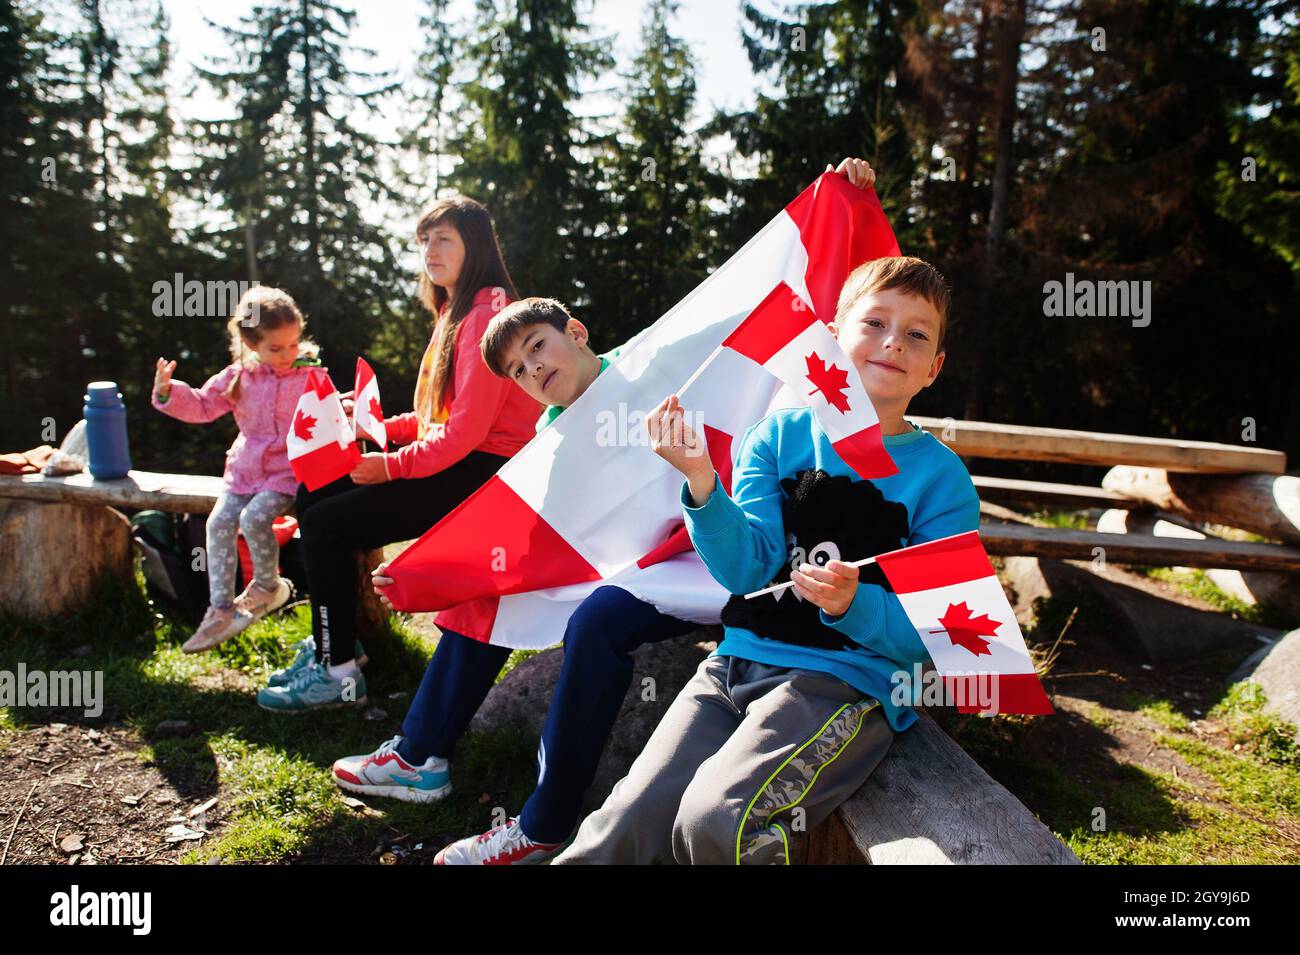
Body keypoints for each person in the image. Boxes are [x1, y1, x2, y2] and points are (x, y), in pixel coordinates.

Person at [339, 158, 885, 865]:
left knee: (583, 611)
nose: (536, 370)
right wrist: (432, 572)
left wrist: (841, 201)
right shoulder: (549, 439)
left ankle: (511, 803)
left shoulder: (662, 358)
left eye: (539, 346)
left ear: (578, 331)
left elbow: (770, 297)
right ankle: (447, 768)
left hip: (731, 548)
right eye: (520, 371)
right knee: (512, 597)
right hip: (644, 567)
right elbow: (517, 536)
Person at [551, 252, 981, 864]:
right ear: (833, 337)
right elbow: (748, 569)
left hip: (843, 684)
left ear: (934, 368)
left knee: (715, 823)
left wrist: (855, 603)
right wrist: (702, 482)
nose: (893, 343)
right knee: (623, 823)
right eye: (875, 323)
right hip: (734, 664)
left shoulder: (942, 481)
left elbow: (944, 634)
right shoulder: (777, 437)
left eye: (917, 335)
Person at [256, 196, 541, 713]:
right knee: (314, 493)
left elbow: (463, 434)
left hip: (484, 475)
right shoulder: (455, 313)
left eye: (444, 239)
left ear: (474, 245)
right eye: (424, 240)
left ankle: (336, 671)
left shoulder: (485, 315)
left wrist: (388, 464)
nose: (430, 250)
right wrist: (374, 427)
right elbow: (433, 418)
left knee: (326, 524)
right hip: (460, 459)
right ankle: (335, 646)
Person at [152, 286, 321, 653]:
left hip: (286, 471)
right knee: (219, 522)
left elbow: (327, 412)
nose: (287, 355)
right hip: (244, 470)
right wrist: (168, 392)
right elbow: (201, 406)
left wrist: (345, 406)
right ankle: (221, 608)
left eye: (293, 345)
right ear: (250, 343)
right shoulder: (237, 376)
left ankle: (267, 587)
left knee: (256, 518)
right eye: (275, 349)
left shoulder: (307, 374)